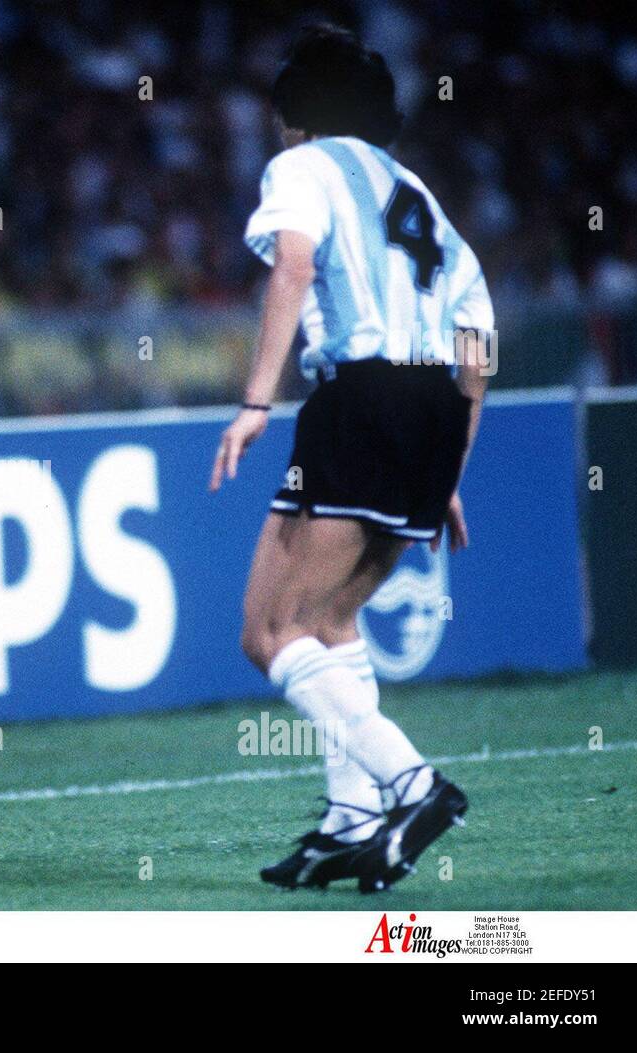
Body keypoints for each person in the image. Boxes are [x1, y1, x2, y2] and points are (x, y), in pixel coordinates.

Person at [209, 27, 492, 892]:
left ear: (297, 112)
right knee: (331, 625)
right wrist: (447, 474)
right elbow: (475, 345)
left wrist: (257, 398)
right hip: (434, 408)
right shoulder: (421, 197)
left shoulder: (306, 167)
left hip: (362, 398)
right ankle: (351, 817)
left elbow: (292, 264)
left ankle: (412, 786)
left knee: (270, 630)